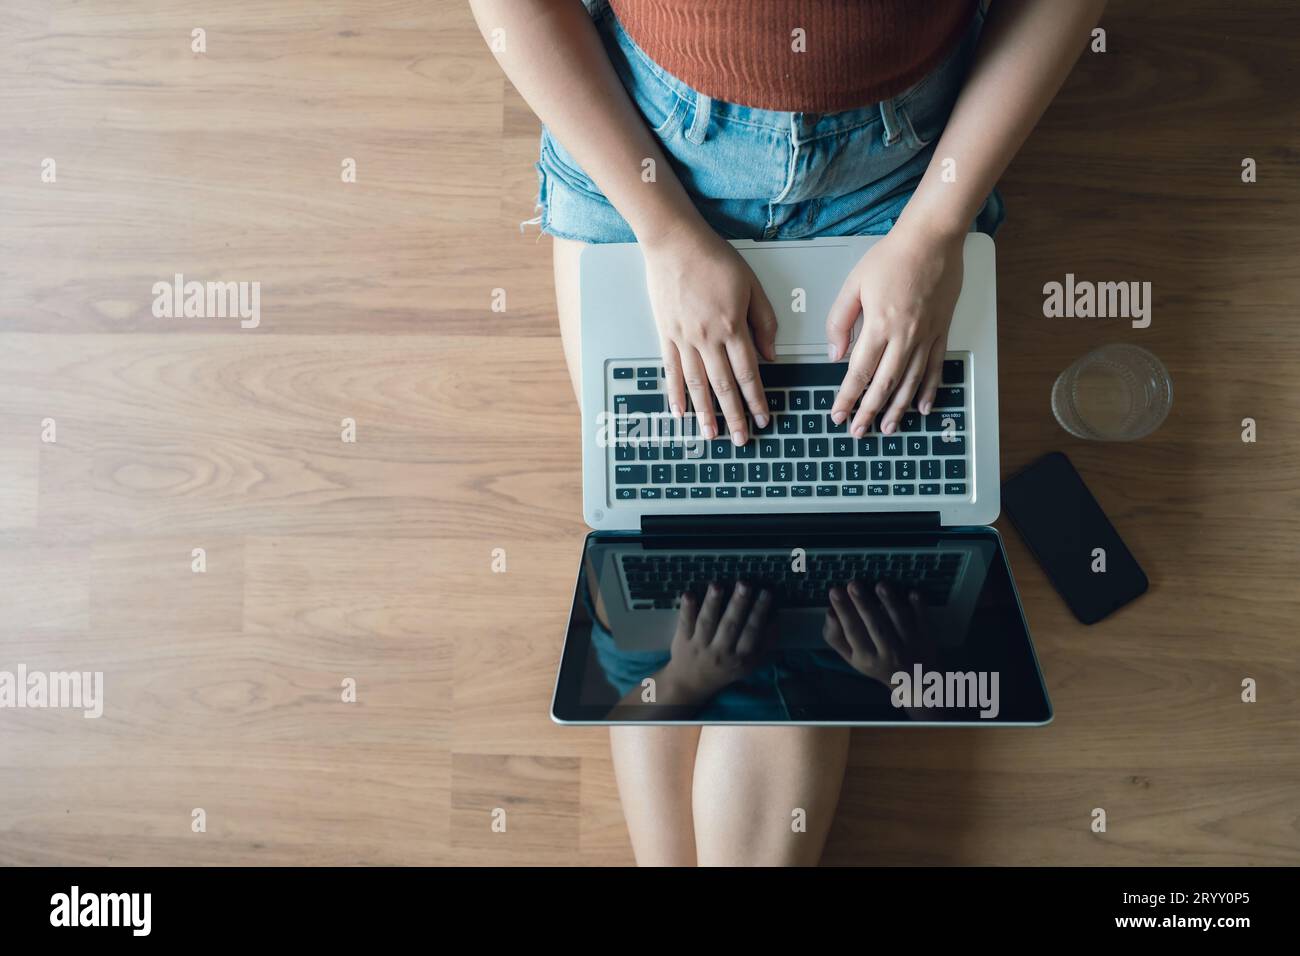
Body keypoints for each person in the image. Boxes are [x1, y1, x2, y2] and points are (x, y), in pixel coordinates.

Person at [472, 0, 1105, 865]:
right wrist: (664, 235)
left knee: (771, 542)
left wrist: (932, 232)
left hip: (901, 171)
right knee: (662, 525)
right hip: (644, 147)